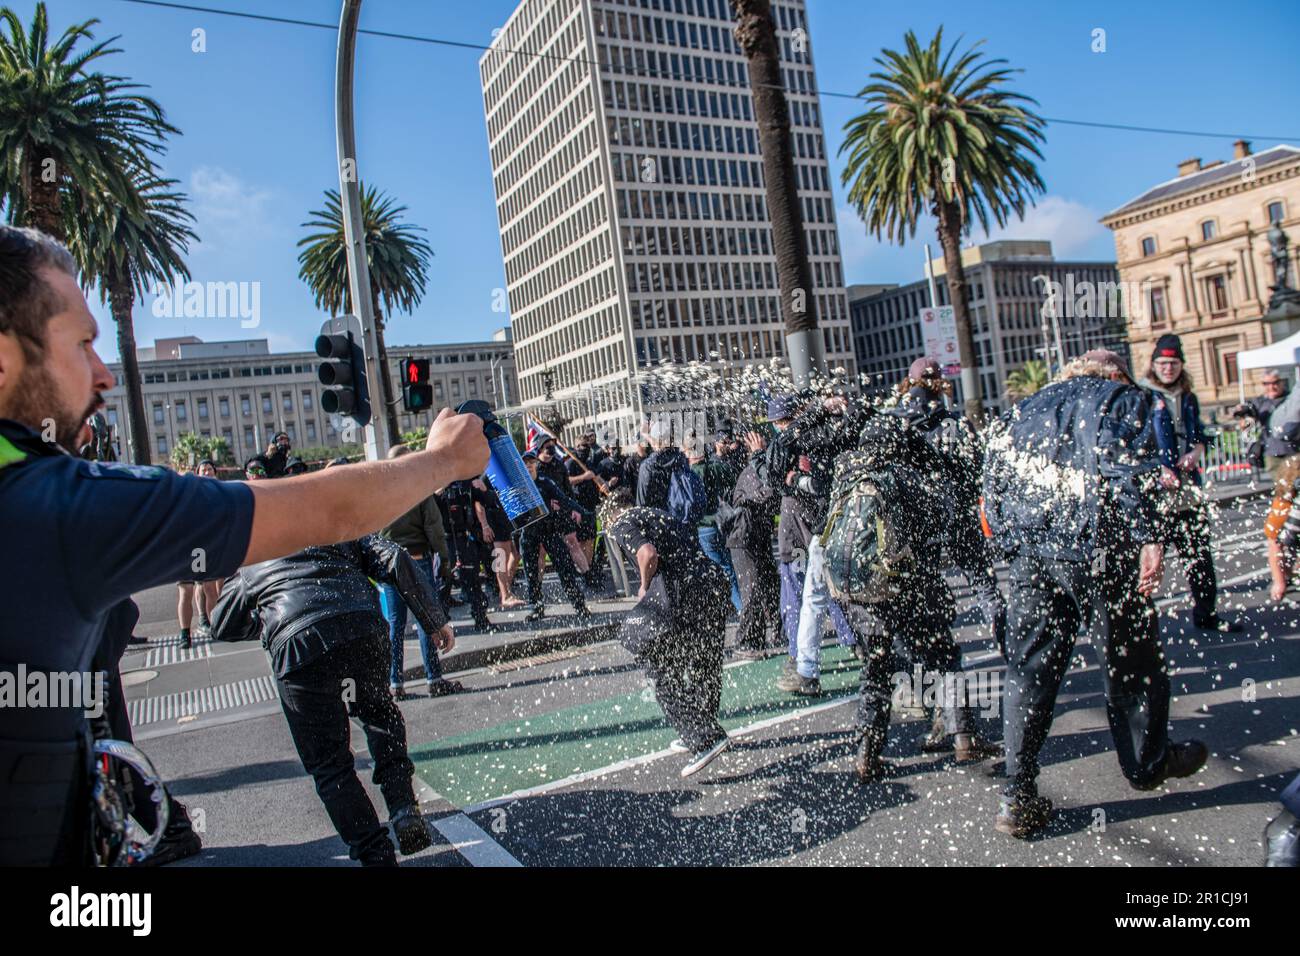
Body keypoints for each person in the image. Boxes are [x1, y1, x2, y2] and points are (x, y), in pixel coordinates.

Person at [0, 225, 488, 866]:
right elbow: (330, 507)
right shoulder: (54, 502)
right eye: (83, 344)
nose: (103, 375)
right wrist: (441, 459)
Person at [983, 349, 1209, 839]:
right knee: (1131, 660)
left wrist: (1012, 543)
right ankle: (1147, 763)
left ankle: (1017, 794)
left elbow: (992, 485)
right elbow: (1129, 471)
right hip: (1102, 550)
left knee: (1028, 672)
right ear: (1116, 373)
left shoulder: (1021, 409)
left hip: (1034, 555)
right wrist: (1150, 537)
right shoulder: (1125, 400)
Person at [210, 534, 454, 865]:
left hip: (299, 644)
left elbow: (222, 622)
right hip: (359, 621)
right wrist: (434, 619)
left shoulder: (256, 552)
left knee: (330, 765)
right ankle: (403, 806)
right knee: (380, 715)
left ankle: (376, 853)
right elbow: (394, 556)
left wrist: (269, 623)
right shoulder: (330, 523)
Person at [820, 415, 998, 782]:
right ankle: (963, 736)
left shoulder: (845, 474)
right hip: (908, 587)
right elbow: (933, 525)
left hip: (862, 593)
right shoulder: (902, 477)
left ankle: (866, 753)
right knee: (944, 657)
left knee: (875, 670)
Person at [604, 495, 731, 777]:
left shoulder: (622, 523)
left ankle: (704, 738)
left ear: (611, 518)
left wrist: (644, 585)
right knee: (704, 663)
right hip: (711, 585)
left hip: (681, 593)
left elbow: (647, 553)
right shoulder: (659, 514)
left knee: (658, 667)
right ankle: (704, 727)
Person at [763, 394, 860, 696]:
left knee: (810, 593)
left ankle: (806, 662)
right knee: (824, 592)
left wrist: (795, 482)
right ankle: (853, 647)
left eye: (783, 421)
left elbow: (779, 466)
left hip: (816, 529)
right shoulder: (841, 429)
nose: (781, 427)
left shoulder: (812, 436)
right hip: (836, 526)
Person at [1143, 334, 1240, 633]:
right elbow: (1135, 444)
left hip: (1188, 491)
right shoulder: (1143, 396)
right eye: (1162, 363)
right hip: (1157, 494)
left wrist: (1197, 451)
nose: (1168, 368)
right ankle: (1143, 625)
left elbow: (1200, 434)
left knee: (1199, 557)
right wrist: (1158, 468)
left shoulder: (1189, 397)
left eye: (1173, 363)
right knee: (1149, 560)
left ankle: (1206, 614)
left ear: (1181, 365)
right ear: (1154, 365)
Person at [380, 445, 463, 697]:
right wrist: (446, 562)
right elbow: (434, 529)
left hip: (388, 565)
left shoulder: (380, 493)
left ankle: (395, 684)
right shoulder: (419, 489)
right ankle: (434, 679)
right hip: (417, 562)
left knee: (395, 626)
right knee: (425, 622)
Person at [726, 428, 783, 661]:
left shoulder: (763, 469)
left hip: (757, 536)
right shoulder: (751, 471)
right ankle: (746, 641)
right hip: (742, 539)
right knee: (753, 589)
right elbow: (765, 493)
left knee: (770, 584)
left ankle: (775, 632)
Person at [520, 449, 592, 623]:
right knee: (531, 572)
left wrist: (580, 510)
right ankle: (536, 608)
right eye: (525, 463)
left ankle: (579, 606)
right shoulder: (519, 486)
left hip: (549, 531)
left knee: (565, 567)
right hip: (529, 534)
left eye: (531, 463)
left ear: (536, 464)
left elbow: (563, 498)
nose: (528, 466)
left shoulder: (546, 482)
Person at [688, 425, 743, 612]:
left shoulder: (692, 473)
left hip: (703, 527)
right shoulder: (716, 467)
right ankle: (741, 604)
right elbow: (732, 481)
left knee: (720, 569)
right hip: (720, 523)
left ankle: (739, 606)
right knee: (729, 566)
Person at [442, 478, 495, 631]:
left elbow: (489, 500)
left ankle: (481, 619)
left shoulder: (466, 485)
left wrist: (483, 489)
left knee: (473, 580)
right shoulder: (437, 485)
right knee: (444, 583)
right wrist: (438, 490)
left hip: (465, 538)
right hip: (445, 540)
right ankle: (440, 626)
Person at [1231, 369, 1296, 481]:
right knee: (1281, 489)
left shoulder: (1291, 399)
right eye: (1266, 384)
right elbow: (1248, 428)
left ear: (1281, 382)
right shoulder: (1259, 402)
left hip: (1294, 450)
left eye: (1275, 383)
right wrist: (1244, 418)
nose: (1271, 387)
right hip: (1272, 452)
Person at [474, 476, 525, 609]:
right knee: (501, 557)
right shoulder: (486, 476)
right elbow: (478, 504)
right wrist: (485, 525)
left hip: (504, 520)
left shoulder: (499, 473)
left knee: (515, 555)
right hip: (494, 521)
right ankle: (505, 595)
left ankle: (505, 589)